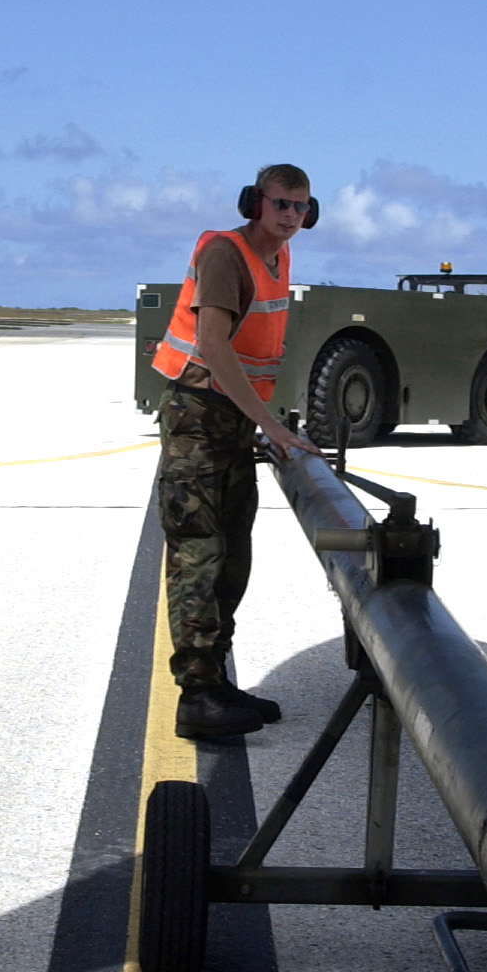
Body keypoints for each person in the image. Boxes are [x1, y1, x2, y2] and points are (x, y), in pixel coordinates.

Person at [150, 166, 314, 740]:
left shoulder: (279, 259)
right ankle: (196, 696)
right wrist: (270, 424)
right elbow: (214, 346)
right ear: (254, 203)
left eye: (300, 206)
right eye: (280, 204)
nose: (290, 215)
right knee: (200, 550)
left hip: (233, 423)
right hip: (199, 416)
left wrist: (262, 425)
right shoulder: (227, 254)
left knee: (234, 553)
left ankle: (216, 677)